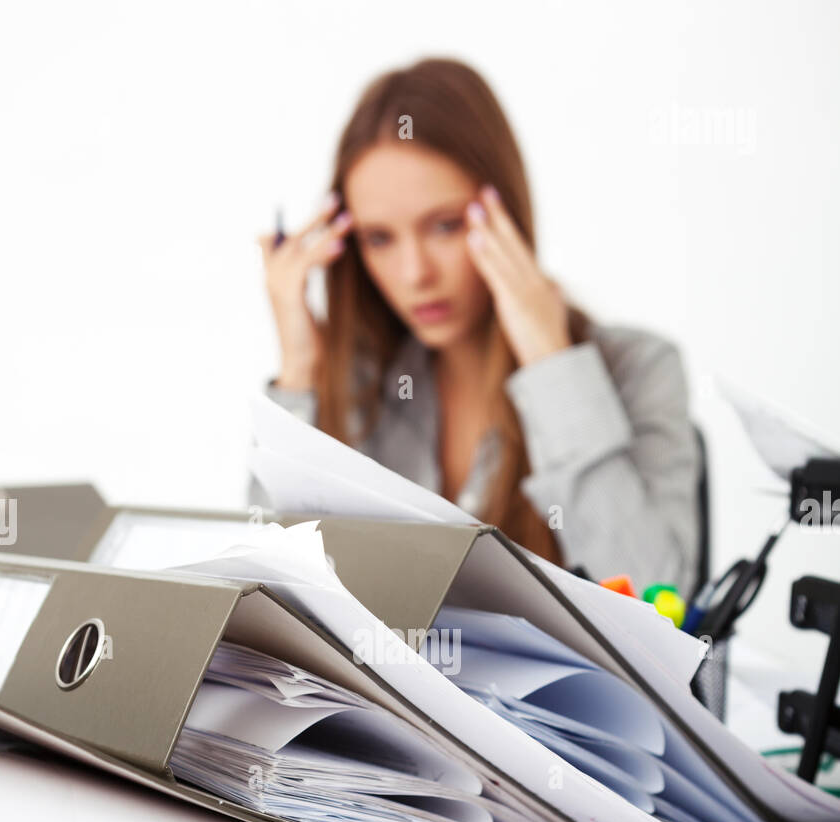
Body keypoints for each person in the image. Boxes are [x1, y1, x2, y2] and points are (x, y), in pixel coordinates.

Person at [255, 57, 701, 596]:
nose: (415, 274)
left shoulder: (638, 368)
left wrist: (551, 363)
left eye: (445, 226)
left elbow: (659, 592)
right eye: (380, 239)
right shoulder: (363, 385)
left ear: (504, 212)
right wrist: (300, 372)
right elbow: (267, 591)